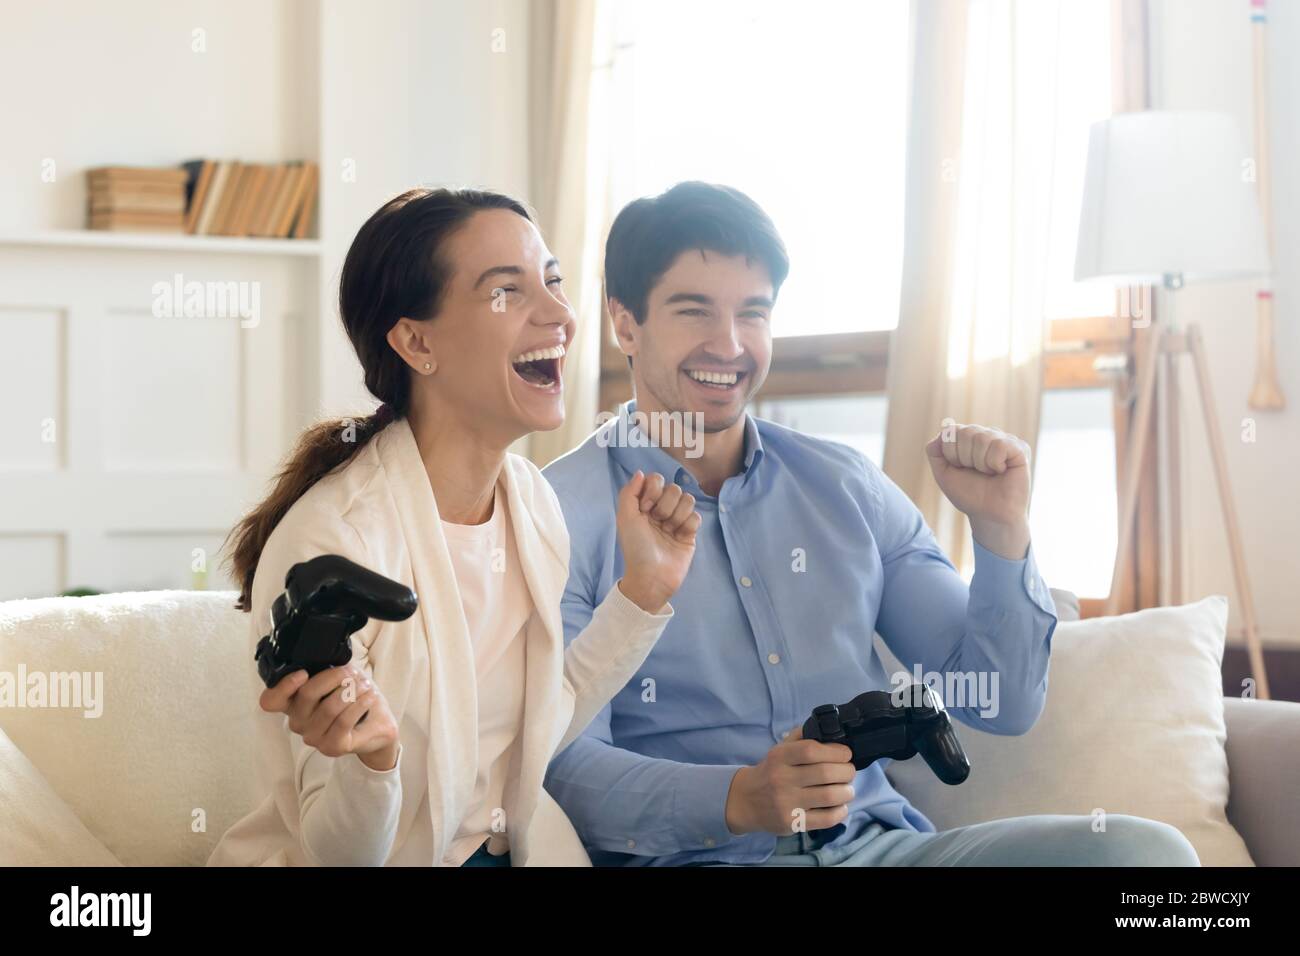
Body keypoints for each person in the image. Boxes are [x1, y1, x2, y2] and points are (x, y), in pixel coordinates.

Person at [541, 181, 1200, 867]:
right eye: (694, 311)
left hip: (880, 850)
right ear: (625, 324)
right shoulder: (559, 512)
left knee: (1144, 856)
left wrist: (1002, 532)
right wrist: (737, 797)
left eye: (754, 314)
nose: (730, 345)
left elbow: (1000, 702)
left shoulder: (846, 488)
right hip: (702, 860)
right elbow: (557, 760)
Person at [207, 187, 700, 867]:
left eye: (553, 282)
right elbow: (337, 855)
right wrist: (372, 762)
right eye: (508, 291)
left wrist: (642, 592)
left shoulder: (530, 502)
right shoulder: (333, 543)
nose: (560, 313)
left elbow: (534, 727)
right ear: (416, 341)